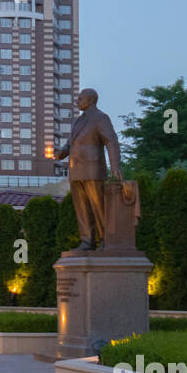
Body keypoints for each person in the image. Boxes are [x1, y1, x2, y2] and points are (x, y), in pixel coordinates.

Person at [55, 87, 122, 251]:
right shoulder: (77, 121)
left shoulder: (101, 118)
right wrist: (62, 152)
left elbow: (111, 141)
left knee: (98, 206)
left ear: (90, 100)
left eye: (80, 98)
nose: (77, 101)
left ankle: (106, 240)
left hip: (93, 169)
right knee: (82, 208)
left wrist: (115, 166)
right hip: (76, 170)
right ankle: (87, 241)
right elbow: (71, 143)